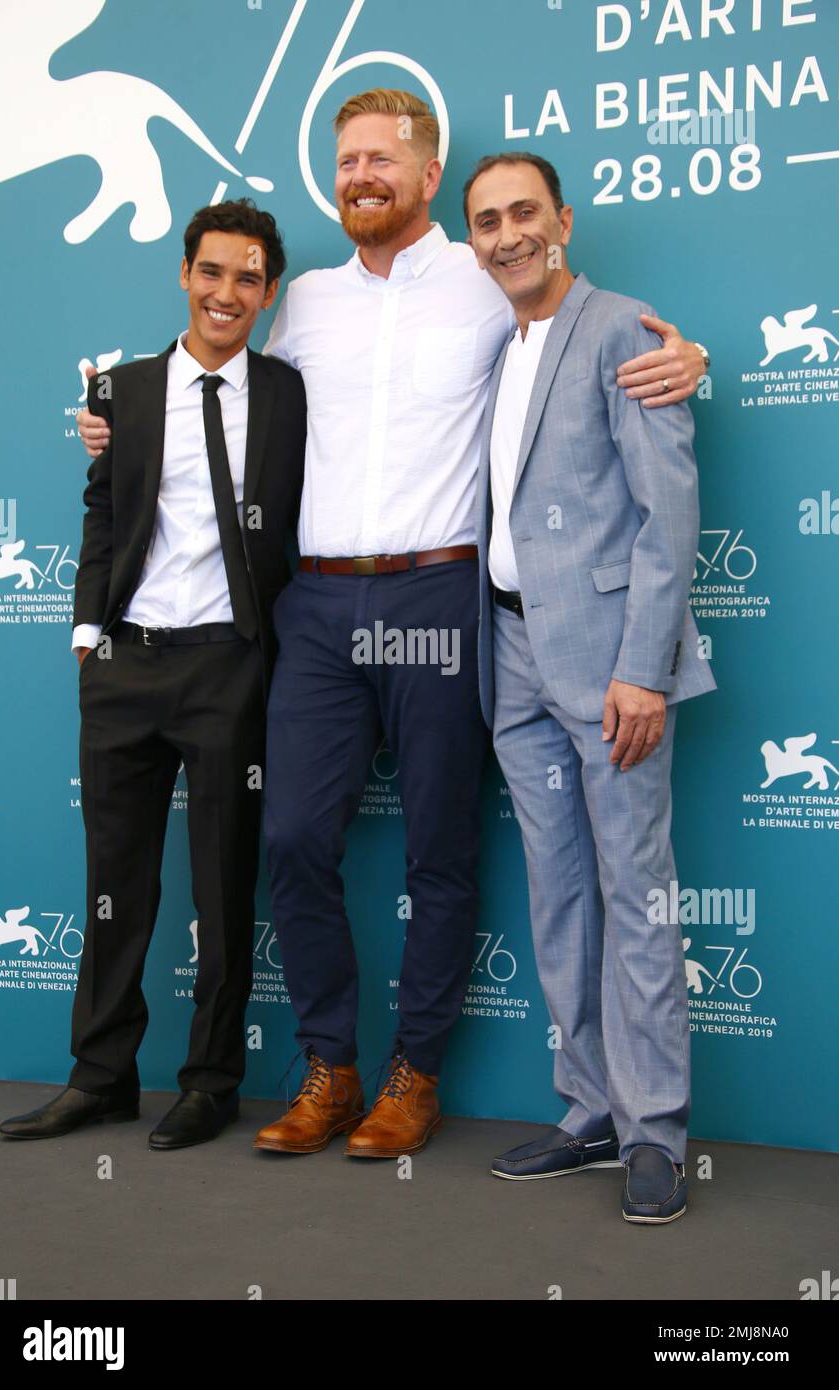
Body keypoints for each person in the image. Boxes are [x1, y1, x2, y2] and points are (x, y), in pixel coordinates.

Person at [76, 89, 709, 1162]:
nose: (359, 175)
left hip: (433, 597)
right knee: (289, 834)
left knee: (437, 847)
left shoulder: (486, 271)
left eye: (380, 157)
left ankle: (414, 1074)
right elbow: (215, 370)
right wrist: (117, 412)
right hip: (316, 608)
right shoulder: (304, 298)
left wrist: (683, 358)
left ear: (426, 174)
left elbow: (583, 333)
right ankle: (329, 1068)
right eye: (345, 160)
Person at [0, 200, 306, 1151]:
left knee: (222, 889)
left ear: (268, 291)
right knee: (113, 883)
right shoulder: (122, 392)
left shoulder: (290, 393)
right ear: (184, 273)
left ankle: (211, 1081)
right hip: (126, 662)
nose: (227, 293)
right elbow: (104, 515)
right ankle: (100, 1077)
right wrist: (87, 634)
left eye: (248, 278)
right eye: (211, 272)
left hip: (228, 665)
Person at [464, 152, 715, 1222]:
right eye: (485, 220)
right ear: (469, 239)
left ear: (560, 219)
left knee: (634, 893)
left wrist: (640, 669)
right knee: (557, 893)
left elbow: (666, 514)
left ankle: (653, 1125)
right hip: (508, 655)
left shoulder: (621, 330)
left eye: (524, 212)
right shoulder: (485, 343)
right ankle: (589, 1108)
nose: (507, 233)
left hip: (608, 662)